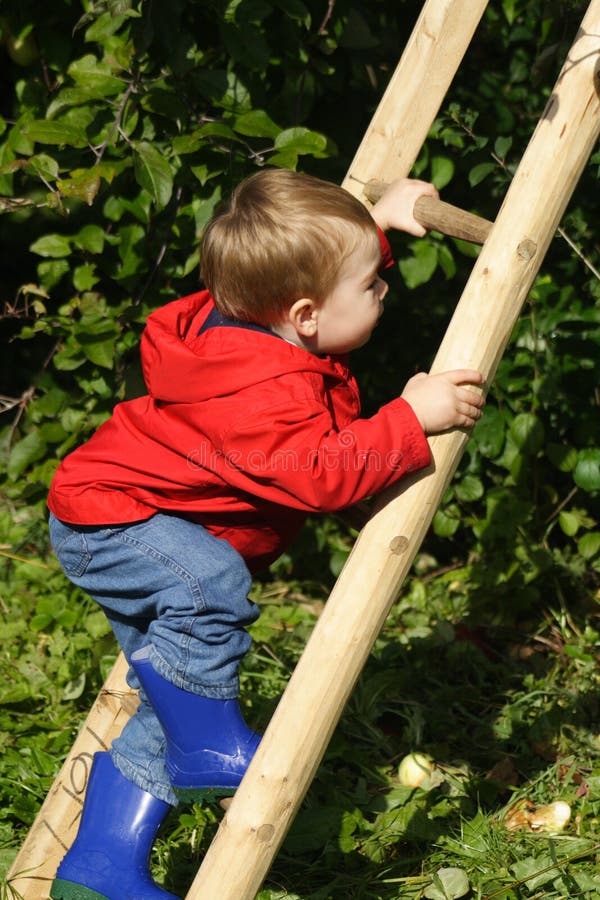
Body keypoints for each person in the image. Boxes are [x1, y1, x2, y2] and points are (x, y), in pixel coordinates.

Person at [47, 168, 485, 900]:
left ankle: (97, 873)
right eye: (374, 282)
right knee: (213, 583)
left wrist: (375, 222)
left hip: (132, 521)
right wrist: (411, 417)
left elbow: (312, 272)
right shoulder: (263, 387)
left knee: (170, 706)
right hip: (115, 522)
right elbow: (319, 473)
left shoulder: (257, 333)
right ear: (307, 315)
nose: (385, 289)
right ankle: (205, 749)